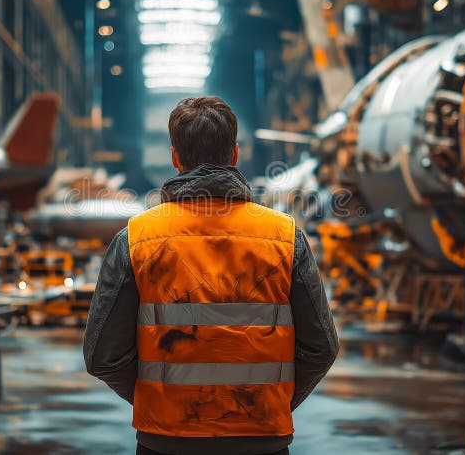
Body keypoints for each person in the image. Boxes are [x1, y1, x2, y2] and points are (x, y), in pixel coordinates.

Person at [84, 96, 339, 455]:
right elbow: (321, 348)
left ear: (175, 158)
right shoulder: (285, 237)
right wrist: (267, 405)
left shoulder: (137, 239)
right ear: (234, 154)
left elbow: (102, 356)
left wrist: (159, 402)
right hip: (262, 441)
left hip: (166, 442)